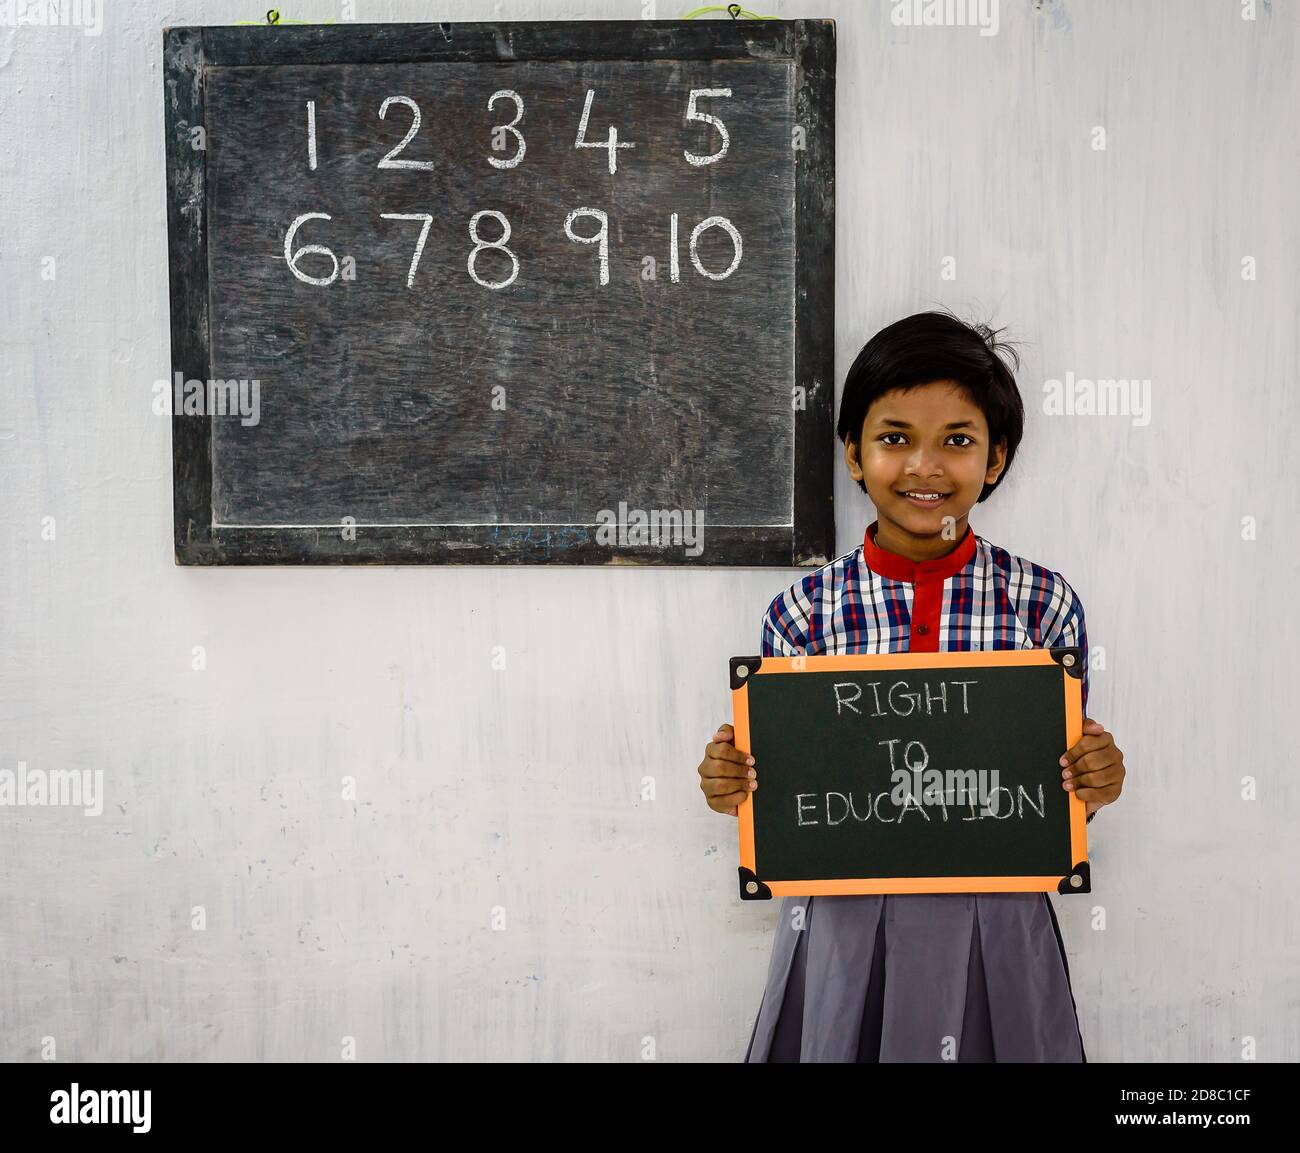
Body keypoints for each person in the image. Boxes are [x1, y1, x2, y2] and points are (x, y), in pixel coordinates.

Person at [697, 311, 1127, 1062]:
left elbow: (1060, 783)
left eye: (958, 440)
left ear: (995, 460)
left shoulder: (1042, 603)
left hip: (998, 924)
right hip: (839, 926)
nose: (925, 466)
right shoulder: (802, 613)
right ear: (854, 456)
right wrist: (732, 780)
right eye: (894, 437)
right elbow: (779, 791)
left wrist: (1098, 775)